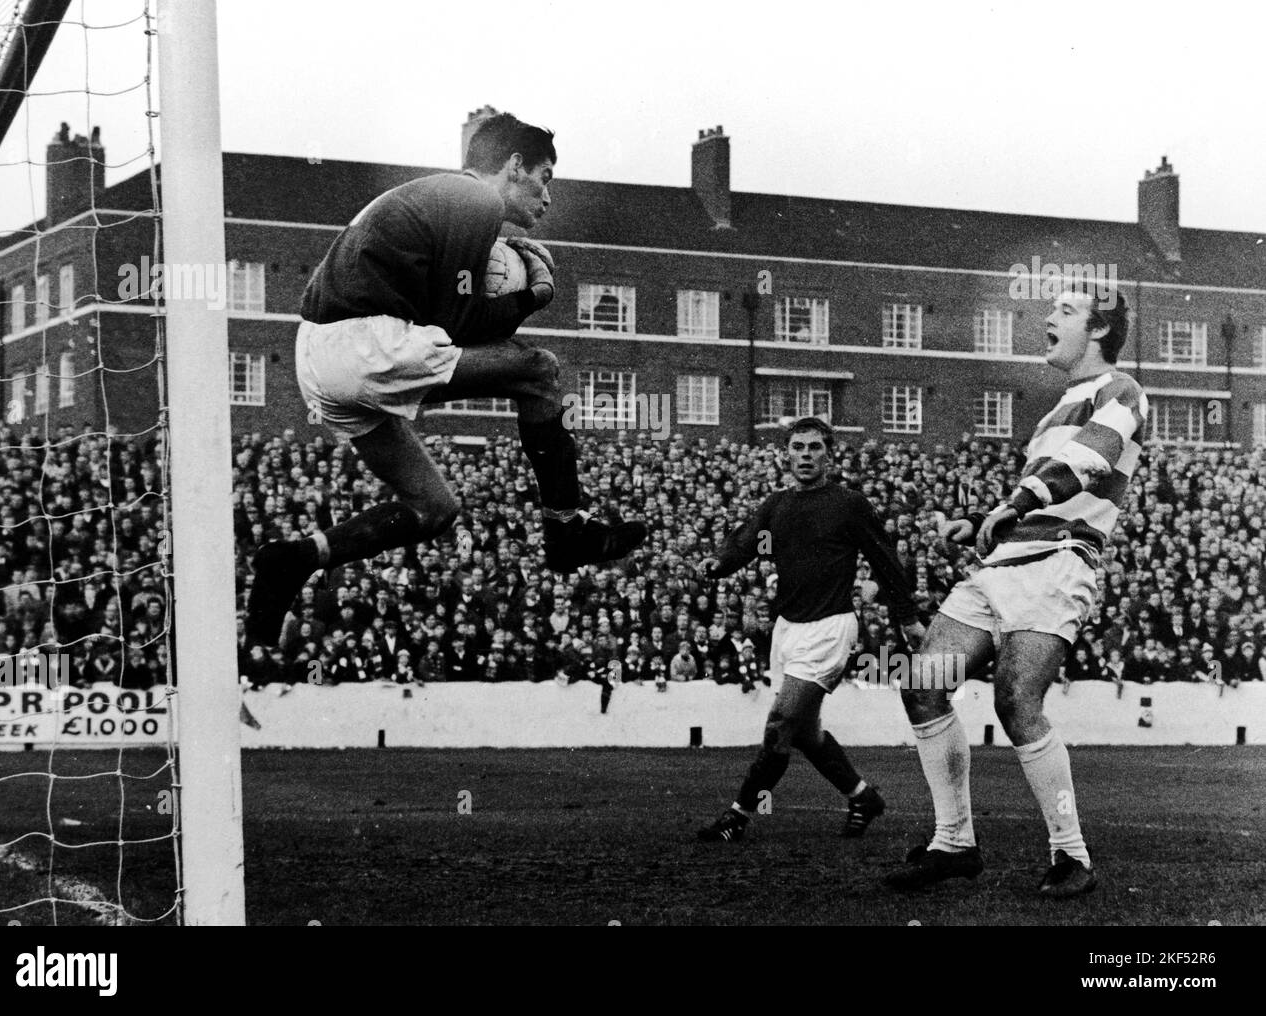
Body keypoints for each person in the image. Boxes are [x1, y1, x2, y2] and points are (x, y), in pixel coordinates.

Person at [245, 114, 646, 650]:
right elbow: (459, 326)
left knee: (434, 508)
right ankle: (565, 526)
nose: (547, 198)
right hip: (366, 344)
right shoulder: (474, 201)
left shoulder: (436, 198)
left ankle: (294, 558)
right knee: (541, 371)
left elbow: (447, 318)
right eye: (546, 178)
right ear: (514, 165)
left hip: (317, 355)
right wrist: (534, 296)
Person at [887, 291, 1145, 899]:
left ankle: (1071, 854)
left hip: (1059, 562)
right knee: (923, 682)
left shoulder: (1122, 389)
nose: (1047, 321)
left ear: (1101, 328)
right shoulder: (1053, 411)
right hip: (1005, 562)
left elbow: (1087, 463)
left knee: (1015, 700)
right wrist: (982, 516)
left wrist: (1013, 505)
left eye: (1064, 311)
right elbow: (1038, 491)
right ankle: (953, 844)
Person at [696, 417, 924, 843]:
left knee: (780, 724)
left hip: (830, 628)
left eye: (814, 447)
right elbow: (748, 540)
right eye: (798, 447)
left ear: (829, 454)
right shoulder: (777, 505)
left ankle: (738, 814)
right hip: (787, 630)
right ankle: (861, 796)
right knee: (804, 733)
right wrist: (720, 562)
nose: (805, 455)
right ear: (787, 453)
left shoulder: (849, 504)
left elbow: (884, 558)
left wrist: (907, 615)